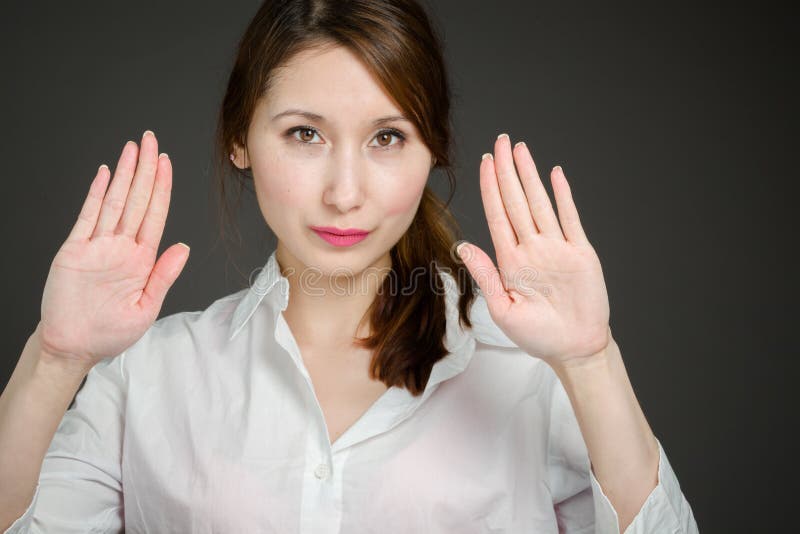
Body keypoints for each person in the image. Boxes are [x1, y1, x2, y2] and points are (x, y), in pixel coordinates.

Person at [0, 0, 700, 532]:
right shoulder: (145, 374)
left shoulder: (529, 372)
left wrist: (592, 362)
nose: (344, 192)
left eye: (387, 138)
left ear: (432, 151)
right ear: (240, 138)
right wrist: (54, 358)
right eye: (305, 134)